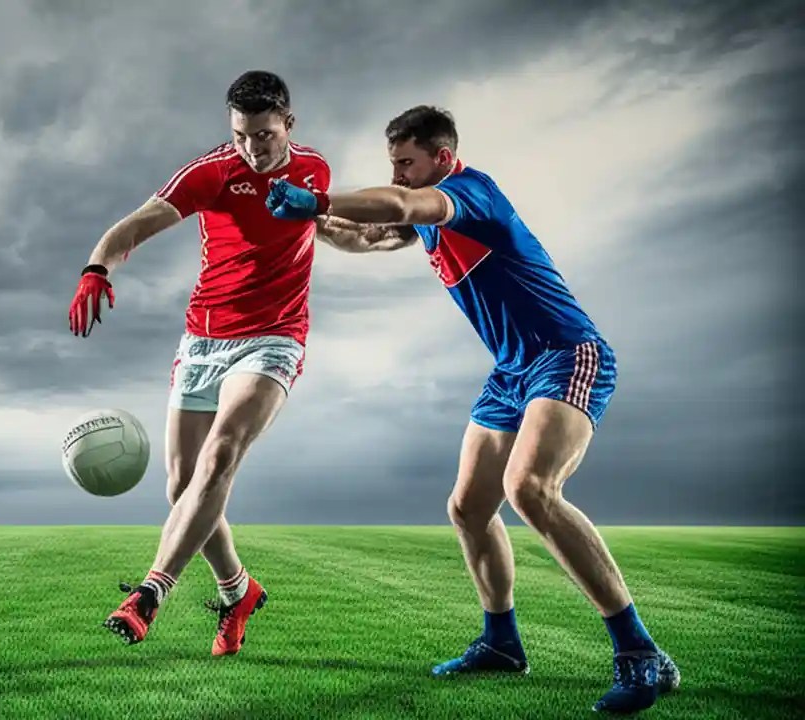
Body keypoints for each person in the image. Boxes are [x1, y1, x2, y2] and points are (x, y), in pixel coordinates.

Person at [264, 105, 679, 714]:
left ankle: (641, 653)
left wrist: (317, 198)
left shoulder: (469, 192)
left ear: (442, 156)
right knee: (467, 505)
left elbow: (403, 208)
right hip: (511, 372)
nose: (400, 174)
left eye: (407, 162)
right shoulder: (429, 211)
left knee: (529, 489)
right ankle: (502, 643)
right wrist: (307, 221)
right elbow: (372, 234)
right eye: (393, 164)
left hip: (566, 354)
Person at [67, 70, 331, 656]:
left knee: (222, 453)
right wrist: (97, 268)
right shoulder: (212, 172)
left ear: (288, 125)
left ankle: (150, 593)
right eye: (240, 135)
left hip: (275, 338)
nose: (251, 148)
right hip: (205, 340)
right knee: (182, 486)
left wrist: (385, 232)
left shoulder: (315, 171)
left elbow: (329, 225)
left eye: (263, 135)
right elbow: (137, 223)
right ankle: (238, 591)